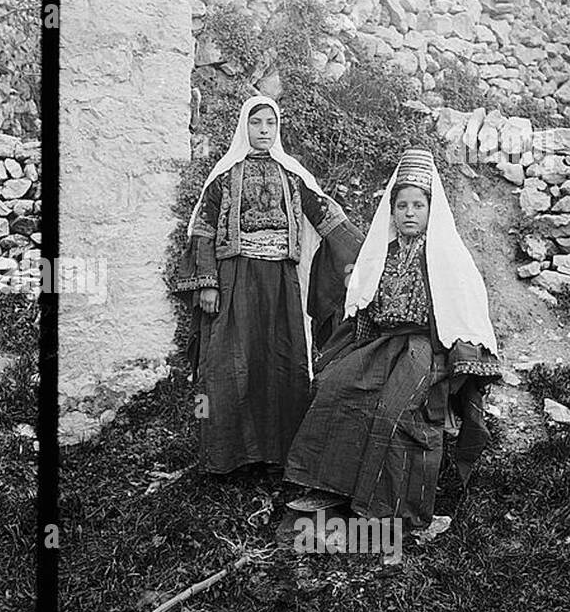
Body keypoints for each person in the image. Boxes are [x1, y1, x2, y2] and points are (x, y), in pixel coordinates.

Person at [283, 146, 503, 527]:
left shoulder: (446, 258)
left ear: (431, 210)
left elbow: (464, 315)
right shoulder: (380, 255)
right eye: (402, 206)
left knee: (394, 409)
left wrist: (456, 366)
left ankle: (391, 508)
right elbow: (364, 306)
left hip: (425, 350)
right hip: (383, 344)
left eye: (418, 206)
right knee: (334, 386)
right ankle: (330, 486)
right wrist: (346, 353)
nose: (410, 213)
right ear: (392, 211)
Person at [175, 96, 363, 474]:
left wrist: (366, 256)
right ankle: (224, 456)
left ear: (278, 129)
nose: (263, 130)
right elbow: (203, 230)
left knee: (282, 360)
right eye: (256, 123)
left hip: (280, 282)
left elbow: (326, 216)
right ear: (244, 127)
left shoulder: (292, 175)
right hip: (234, 281)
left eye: (270, 124)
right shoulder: (224, 177)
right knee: (225, 363)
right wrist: (208, 283)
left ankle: (278, 453)